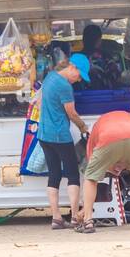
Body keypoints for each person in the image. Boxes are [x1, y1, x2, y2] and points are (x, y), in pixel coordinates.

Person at [76, 110, 130, 233]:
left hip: (109, 137)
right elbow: (124, 148)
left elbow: (92, 174)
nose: (118, 172)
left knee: (90, 178)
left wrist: (84, 208)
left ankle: (88, 221)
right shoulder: (127, 117)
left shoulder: (94, 133)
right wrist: (124, 164)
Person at [38, 53, 91, 229]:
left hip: (44, 135)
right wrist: (83, 127)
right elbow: (72, 113)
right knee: (73, 175)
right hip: (60, 136)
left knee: (54, 175)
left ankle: (56, 218)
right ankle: (75, 217)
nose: (78, 80)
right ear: (72, 67)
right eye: (79, 75)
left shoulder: (50, 77)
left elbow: (40, 103)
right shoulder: (65, 87)